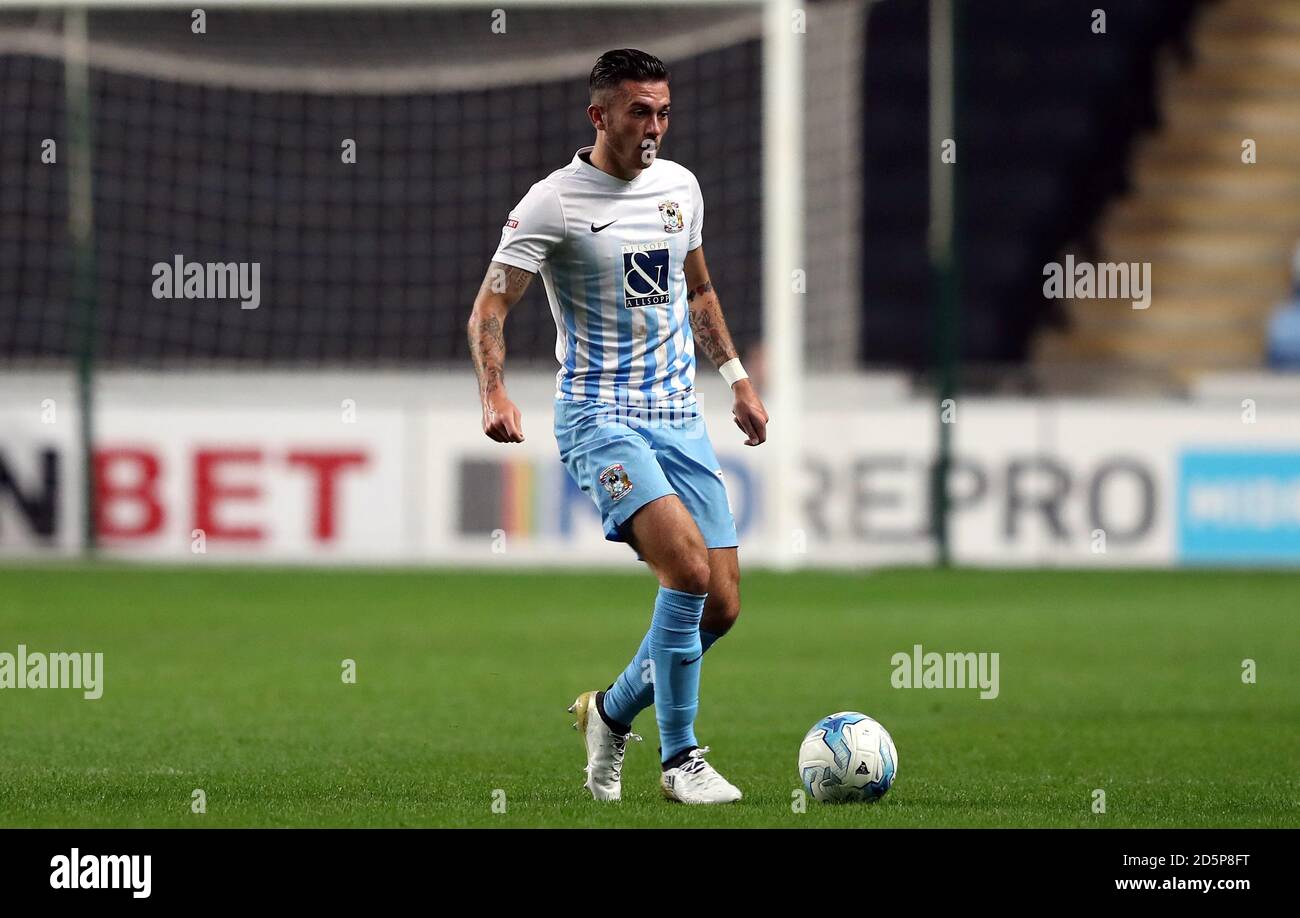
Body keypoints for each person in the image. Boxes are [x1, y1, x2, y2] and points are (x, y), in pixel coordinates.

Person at [466, 49, 768, 804]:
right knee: (688, 573)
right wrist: (494, 394)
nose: (655, 128)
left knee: (723, 604)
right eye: (640, 112)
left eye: (664, 111)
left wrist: (736, 380)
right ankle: (680, 761)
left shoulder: (680, 188)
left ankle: (607, 710)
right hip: (602, 418)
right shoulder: (554, 202)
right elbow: (490, 307)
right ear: (599, 116)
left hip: (679, 417)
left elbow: (697, 290)